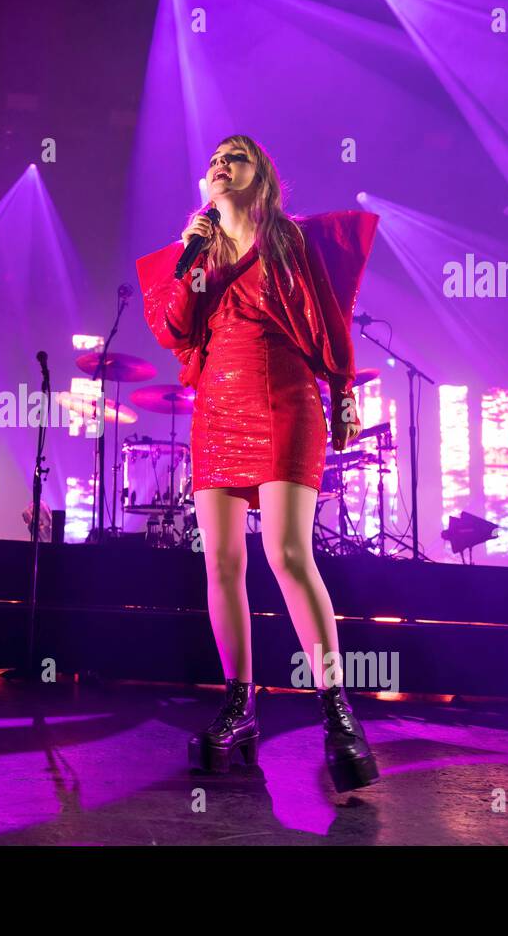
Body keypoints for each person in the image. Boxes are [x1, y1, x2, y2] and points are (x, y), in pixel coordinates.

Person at [136, 134, 380, 792]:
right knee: (221, 560)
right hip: (218, 405)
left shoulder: (291, 241)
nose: (220, 164)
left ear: (261, 175)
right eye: (214, 159)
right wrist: (190, 250)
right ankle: (239, 708)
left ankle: (337, 711)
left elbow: (330, 317)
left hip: (285, 397)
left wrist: (344, 390)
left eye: (235, 157)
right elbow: (175, 327)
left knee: (288, 553)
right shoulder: (198, 251)